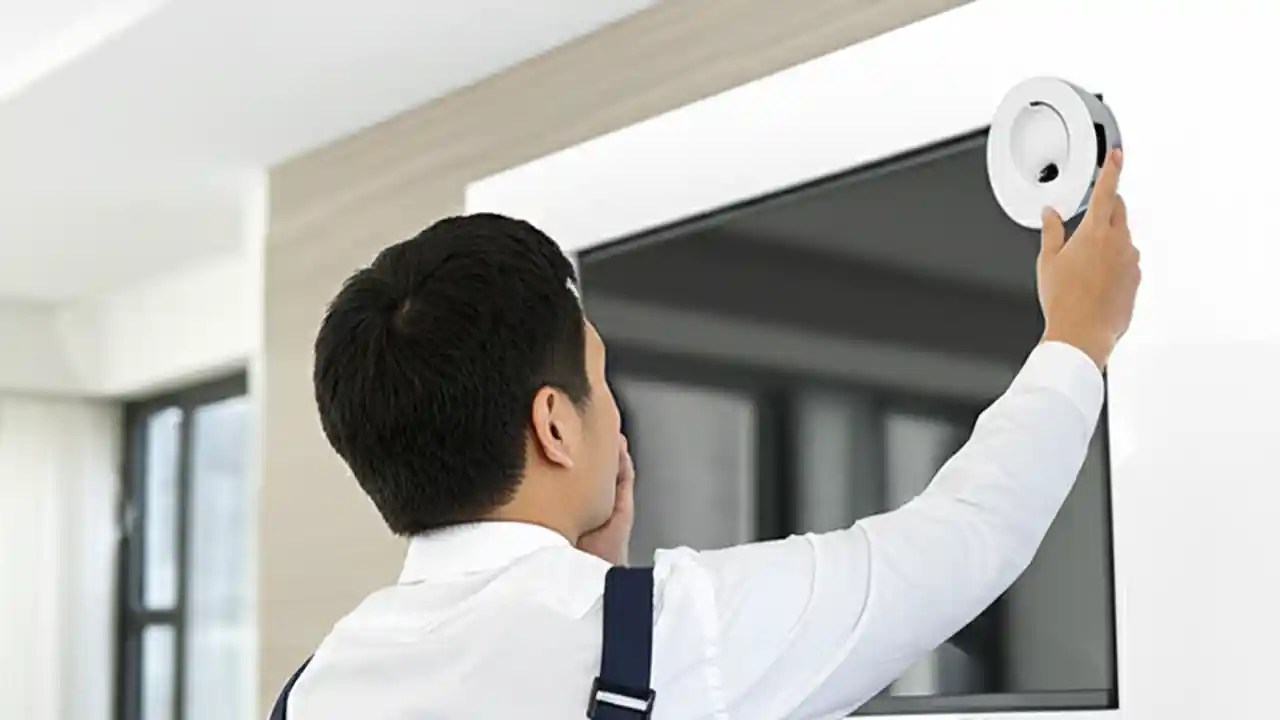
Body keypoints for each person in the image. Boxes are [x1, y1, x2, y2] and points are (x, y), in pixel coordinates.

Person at [283, 148, 1138, 718]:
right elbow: (956, 546)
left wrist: (594, 582)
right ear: (554, 425)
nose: (614, 411)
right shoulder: (664, 639)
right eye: (598, 378)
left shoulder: (316, 688)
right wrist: (1076, 337)